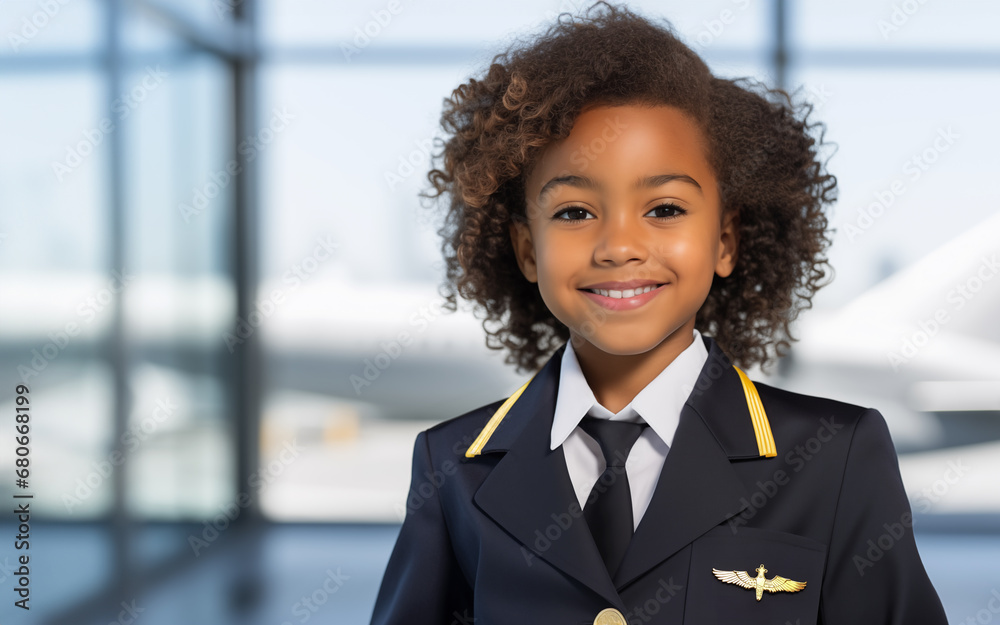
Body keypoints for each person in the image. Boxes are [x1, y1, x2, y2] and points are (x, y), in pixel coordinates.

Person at [369, 2, 948, 623]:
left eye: (665, 209)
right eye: (573, 212)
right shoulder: (453, 467)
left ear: (725, 240)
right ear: (526, 250)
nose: (619, 247)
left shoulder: (835, 456)